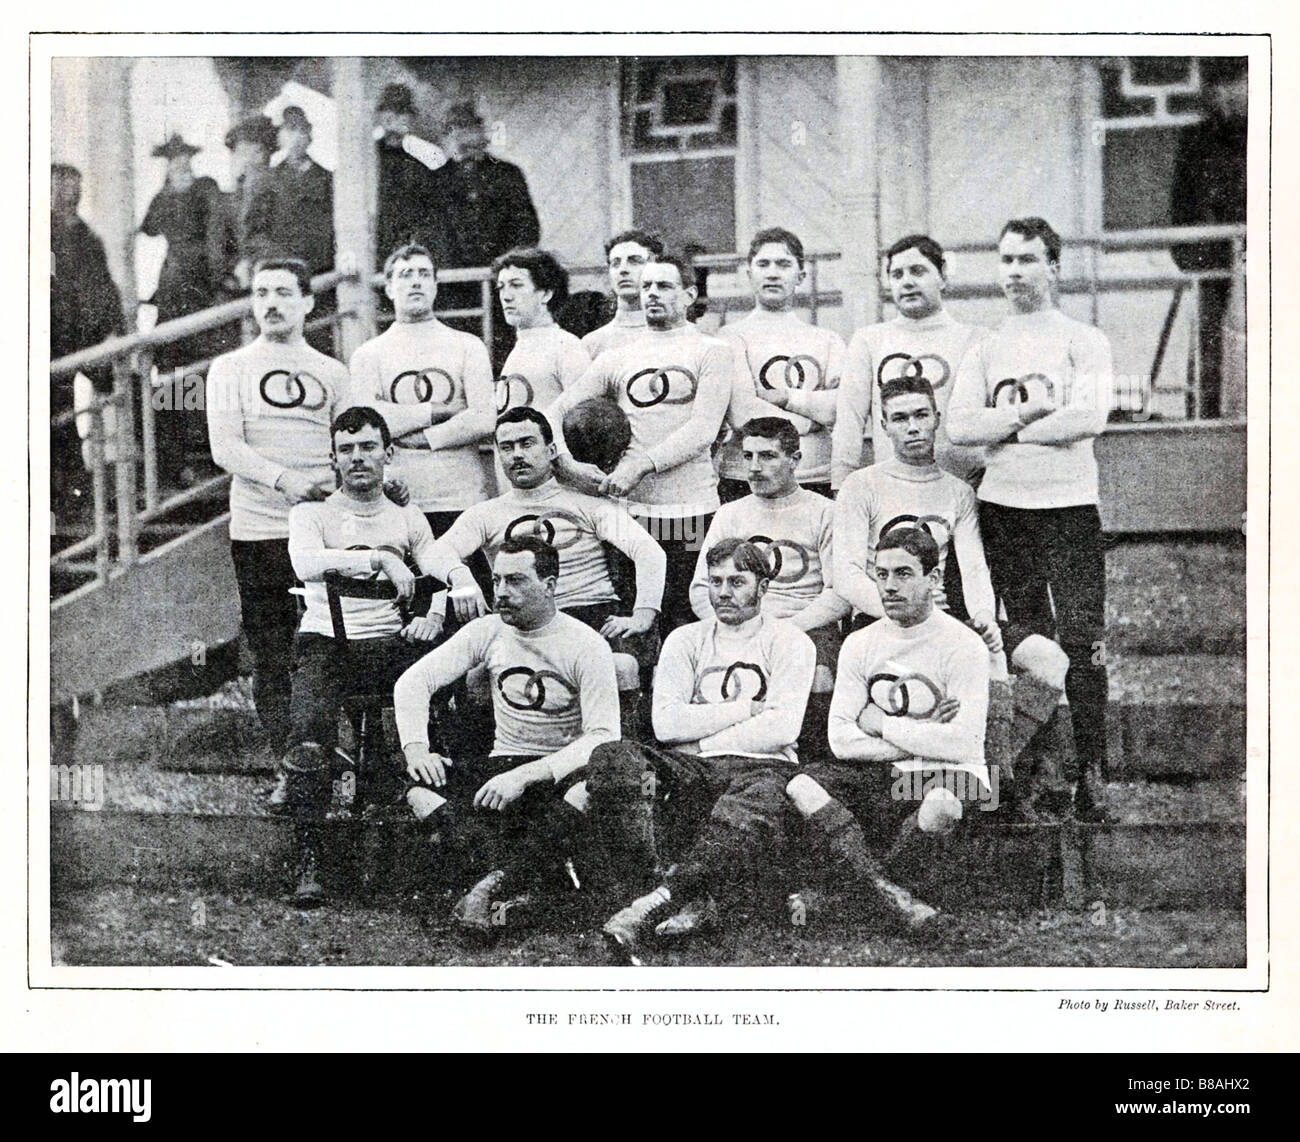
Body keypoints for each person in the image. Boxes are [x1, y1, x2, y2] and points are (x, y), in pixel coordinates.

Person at [835, 374, 1075, 816]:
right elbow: (847, 575)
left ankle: (1016, 774)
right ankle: (986, 788)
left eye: (921, 415)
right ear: (884, 426)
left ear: (937, 419)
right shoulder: (861, 487)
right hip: (888, 621)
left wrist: (983, 618)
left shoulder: (957, 490)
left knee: (1049, 659)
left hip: (949, 619)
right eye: (900, 418)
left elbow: (974, 565)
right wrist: (899, 610)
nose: (912, 427)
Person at [945, 216, 1112, 821]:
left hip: (1068, 510)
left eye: (1028, 260)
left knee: (1084, 642)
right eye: (1007, 260)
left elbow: (1090, 416)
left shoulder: (1082, 338)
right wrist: (1036, 415)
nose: (1015, 272)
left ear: (1054, 266)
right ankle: (1043, 772)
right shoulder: (985, 346)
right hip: (1005, 511)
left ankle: (1091, 771)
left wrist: (1008, 426)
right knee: (1031, 643)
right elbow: (959, 427)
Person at [591, 538, 815, 963]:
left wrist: (705, 740)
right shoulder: (685, 639)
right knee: (613, 756)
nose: (724, 592)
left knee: (757, 797)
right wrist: (746, 709)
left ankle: (654, 902)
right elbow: (666, 724)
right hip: (691, 765)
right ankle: (653, 884)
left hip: (764, 767)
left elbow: (782, 728)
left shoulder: (791, 642)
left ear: (764, 587)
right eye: (715, 582)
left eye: (737, 581)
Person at [393, 535, 620, 935]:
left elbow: (603, 735)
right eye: (497, 581)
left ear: (549, 586)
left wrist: (526, 776)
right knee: (413, 786)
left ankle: (490, 883)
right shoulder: (489, 630)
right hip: (503, 766)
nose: (501, 593)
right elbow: (414, 682)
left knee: (593, 789)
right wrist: (417, 749)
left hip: (558, 774)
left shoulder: (587, 644)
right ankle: (526, 875)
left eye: (516, 581)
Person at [273, 406, 447, 906]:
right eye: (346, 450)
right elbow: (306, 564)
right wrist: (379, 558)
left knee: (444, 699)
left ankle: (435, 845)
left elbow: (438, 566)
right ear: (333, 459)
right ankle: (310, 856)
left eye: (368, 447)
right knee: (308, 735)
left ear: (388, 453)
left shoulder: (407, 515)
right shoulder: (312, 514)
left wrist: (441, 599)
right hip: (326, 642)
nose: (358, 458)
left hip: (390, 644)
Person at [785, 528, 989, 935]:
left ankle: (849, 896)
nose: (890, 586)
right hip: (884, 774)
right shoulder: (860, 643)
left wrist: (881, 724)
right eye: (881, 574)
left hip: (948, 776)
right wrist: (921, 733)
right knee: (802, 785)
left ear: (933, 579)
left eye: (903, 573)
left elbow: (965, 742)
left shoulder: (964, 645)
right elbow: (841, 740)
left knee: (943, 805)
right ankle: (886, 893)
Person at [205, 258, 350, 758]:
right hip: (259, 529)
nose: (271, 302)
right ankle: (288, 759)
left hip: (324, 530)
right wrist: (285, 480)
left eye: (285, 293)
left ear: (308, 302)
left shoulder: (333, 371)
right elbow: (225, 447)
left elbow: (349, 444)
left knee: (329, 642)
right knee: (271, 650)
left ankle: (325, 750)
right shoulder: (230, 368)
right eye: (262, 292)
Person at [424, 406, 665, 707]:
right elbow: (435, 554)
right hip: (522, 623)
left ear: (551, 450)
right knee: (476, 677)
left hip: (588, 613)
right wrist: (460, 578)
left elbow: (648, 551)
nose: (517, 455)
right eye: (507, 447)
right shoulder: (486, 514)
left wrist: (644, 612)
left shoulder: (588, 505)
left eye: (527, 443)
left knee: (621, 667)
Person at [547, 254, 736, 634]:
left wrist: (640, 465)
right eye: (646, 285)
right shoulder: (617, 357)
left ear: (688, 295)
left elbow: (703, 428)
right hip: (632, 512)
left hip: (691, 510)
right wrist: (567, 464)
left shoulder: (712, 350)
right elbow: (554, 413)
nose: (652, 293)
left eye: (663, 286)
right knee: (639, 621)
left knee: (691, 618)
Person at [688, 418, 847, 743]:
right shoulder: (729, 514)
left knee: (819, 677)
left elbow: (840, 594)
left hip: (804, 627)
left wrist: (781, 630)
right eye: (748, 456)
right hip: (736, 626)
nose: (755, 468)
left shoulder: (826, 513)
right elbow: (700, 588)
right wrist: (733, 627)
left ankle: (811, 762)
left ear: (796, 460)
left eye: (768, 456)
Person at [346, 243, 496, 582]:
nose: (415, 282)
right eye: (404, 275)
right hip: (401, 500)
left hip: (461, 495)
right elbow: (368, 421)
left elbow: (484, 418)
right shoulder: (369, 354)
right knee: (411, 608)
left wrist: (423, 438)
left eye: (424, 274)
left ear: (435, 285)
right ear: (388, 287)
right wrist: (439, 411)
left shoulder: (467, 345)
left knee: (468, 600)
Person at [830, 234, 986, 489]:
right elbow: (850, 420)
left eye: (918, 271)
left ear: (942, 275)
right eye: (897, 274)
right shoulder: (869, 340)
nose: (908, 282)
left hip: (964, 488)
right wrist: (841, 486)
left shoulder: (977, 339)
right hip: (894, 490)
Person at [715, 228, 847, 500]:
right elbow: (742, 412)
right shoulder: (730, 336)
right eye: (763, 264)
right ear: (749, 274)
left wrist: (788, 398)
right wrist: (811, 421)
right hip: (745, 478)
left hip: (814, 475)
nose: (773, 273)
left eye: (784, 264)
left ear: (800, 275)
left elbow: (841, 407)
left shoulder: (827, 340)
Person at [140, 134, 231, 485]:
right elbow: (147, 228)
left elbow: (219, 235)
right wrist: (166, 191)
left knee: (207, 371)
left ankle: (207, 451)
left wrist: (219, 276)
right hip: (172, 293)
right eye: (173, 162)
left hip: (203, 291)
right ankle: (175, 460)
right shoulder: (164, 198)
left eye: (184, 160)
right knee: (172, 374)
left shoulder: (205, 191)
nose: (180, 166)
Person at [1171, 58, 1248, 419]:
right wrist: (1195, 259)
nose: (1228, 96)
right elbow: (1181, 209)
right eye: (1218, 86)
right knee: (1208, 356)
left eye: (1237, 84)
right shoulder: (1196, 140)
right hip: (1213, 268)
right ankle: (1203, 418)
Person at [51, 163, 125, 520]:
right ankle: (64, 498)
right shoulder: (38, 234)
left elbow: (104, 286)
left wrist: (115, 329)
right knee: (57, 418)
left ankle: (89, 493)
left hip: (87, 335)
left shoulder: (86, 237)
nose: (68, 195)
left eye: (73, 188)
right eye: (61, 188)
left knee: (133, 390)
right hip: (53, 339)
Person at [264, 106, 335, 353]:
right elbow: (255, 231)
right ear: (280, 138)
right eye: (289, 131)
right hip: (283, 276)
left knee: (319, 342)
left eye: (300, 131)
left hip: (320, 278)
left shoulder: (326, 179)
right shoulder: (269, 180)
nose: (295, 137)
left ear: (309, 136)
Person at [492, 247, 590, 417]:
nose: (506, 296)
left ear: (546, 294)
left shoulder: (567, 346)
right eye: (501, 287)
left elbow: (583, 418)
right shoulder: (518, 348)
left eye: (516, 285)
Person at [374, 83, 446, 273]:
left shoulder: (425, 159)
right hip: (373, 254)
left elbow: (432, 216)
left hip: (410, 254)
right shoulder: (367, 161)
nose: (394, 118)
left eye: (401, 111)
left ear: (411, 118)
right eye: (389, 111)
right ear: (380, 116)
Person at [581, 229, 665, 359]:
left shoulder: (680, 336)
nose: (623, 270)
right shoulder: (592, 344)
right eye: (615, 263)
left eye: (634, 261)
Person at [224, 115, 281, 291]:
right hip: (243, 273)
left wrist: (251, 262)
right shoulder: (237, 190)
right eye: (242, 152)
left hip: (269, 266)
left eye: (256, 152)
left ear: (267, 154)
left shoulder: (273, 184)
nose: (248, 159)